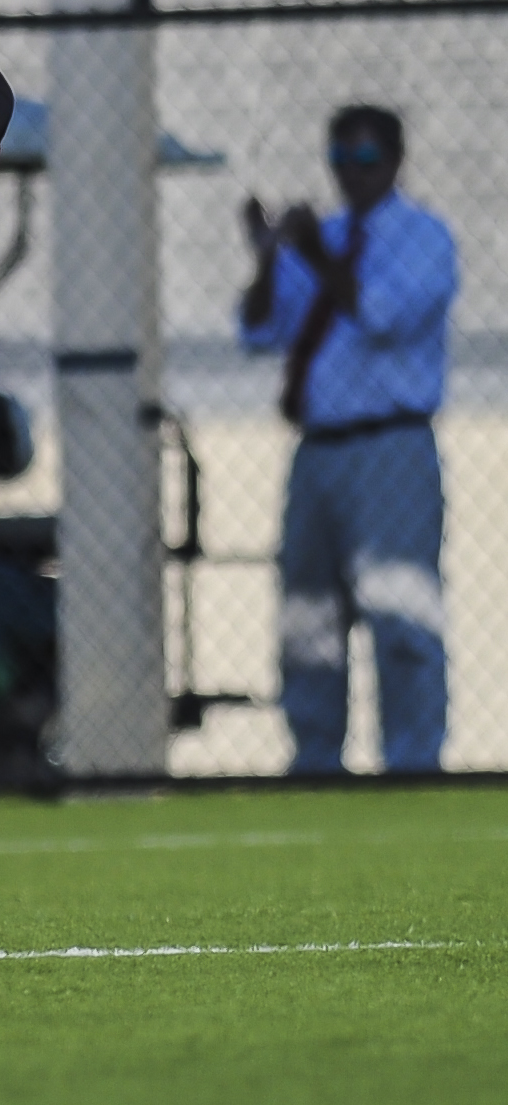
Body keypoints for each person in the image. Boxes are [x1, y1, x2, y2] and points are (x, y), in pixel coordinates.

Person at [238, 105, 457, 774]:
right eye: (340, 161)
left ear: (393, 161)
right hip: (316, 450)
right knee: (308, 614)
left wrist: (309, 253)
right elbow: (259, 330)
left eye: (364, 161)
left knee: (398, 610)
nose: (350, 176)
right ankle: (314, 758)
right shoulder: (323, 235)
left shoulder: (423, 237)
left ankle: (413, 759)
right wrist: (267, 256)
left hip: (389, 444)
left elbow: (381, 316)